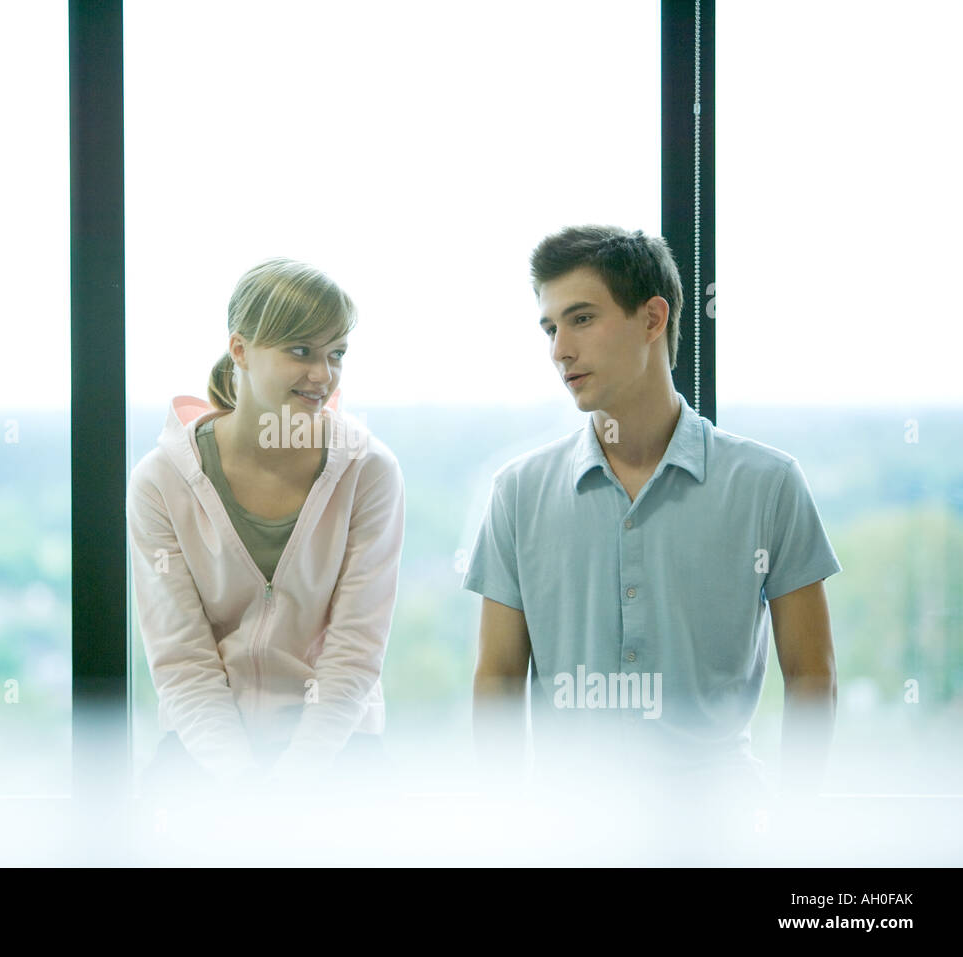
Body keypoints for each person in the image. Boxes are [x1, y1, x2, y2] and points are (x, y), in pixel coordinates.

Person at [465, 225, 841, 815]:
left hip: (722, 829)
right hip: (567, 832)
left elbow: (812, 676)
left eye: (582, 318)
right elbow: (498, 681)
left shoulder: (768, 484)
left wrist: (794, 827)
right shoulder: (519, 492)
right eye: (550, 327)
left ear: (652, 318)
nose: (559, 349)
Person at [128, 258, 405, 794]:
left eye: (336, 354)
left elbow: (355, 652)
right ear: (240, 350)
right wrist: (242, 785)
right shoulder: (162, 481)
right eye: (300, 351)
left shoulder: (368, 471)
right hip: (204, 757)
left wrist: (292, 785)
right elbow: (183, 662)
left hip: (340, 751)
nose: (322, 374)